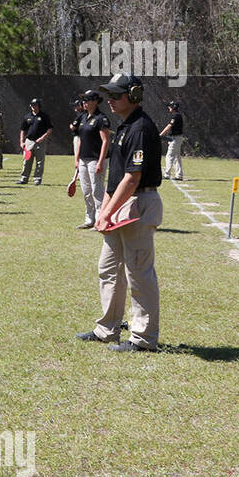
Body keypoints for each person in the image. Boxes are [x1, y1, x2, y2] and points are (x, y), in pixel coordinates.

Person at [77, 73, 163, 352]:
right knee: (109, 269)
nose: (110, 101)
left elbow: (133, 178)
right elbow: (117, 178)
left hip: (137, 203)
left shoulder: (139, 128)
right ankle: (107, 329)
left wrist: (104, 213)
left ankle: (143, 338)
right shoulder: (125, 126)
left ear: (133, 96)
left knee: (138, 273)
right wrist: (106, 209)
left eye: (116, 95)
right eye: (109, 96)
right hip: (121, 203)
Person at [74, 89, 111, 229]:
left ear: (95, 101)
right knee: (86, 190)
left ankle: (100, 220)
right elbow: (81, 140)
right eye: (83, 100)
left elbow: (106, 141)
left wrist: (100, 162)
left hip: (96, 160)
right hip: (83, 160)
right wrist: (77, 160)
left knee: (97, 190)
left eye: (87, 99)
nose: (84, 102)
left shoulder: (101, 118)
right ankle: (89, 219)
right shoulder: (83, 118)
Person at [18, 98, 52, 184]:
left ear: (39, 106)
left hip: (40, 142)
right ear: (30, 106)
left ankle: (37, 179)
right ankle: (24, 178)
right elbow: (23, 130)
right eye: (32, 105)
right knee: (26, 160)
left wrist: (43, 138)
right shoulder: (27, 117)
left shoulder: (44, 116)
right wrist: (22, 142)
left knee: (39, 161)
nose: (34, 107)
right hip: (29, 141)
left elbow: (50, 129)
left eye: (36, 105)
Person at [160, 101, 185, 180]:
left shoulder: (176, 116)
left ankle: (167, 174)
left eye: (170, 106)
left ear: (174, 107)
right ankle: (179, 175)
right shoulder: (176, 115)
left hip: (176, 138)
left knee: (169, 156)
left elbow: (169, 126)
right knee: (177, 157)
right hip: (176, 138)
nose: (169, 107)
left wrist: (161, 135)